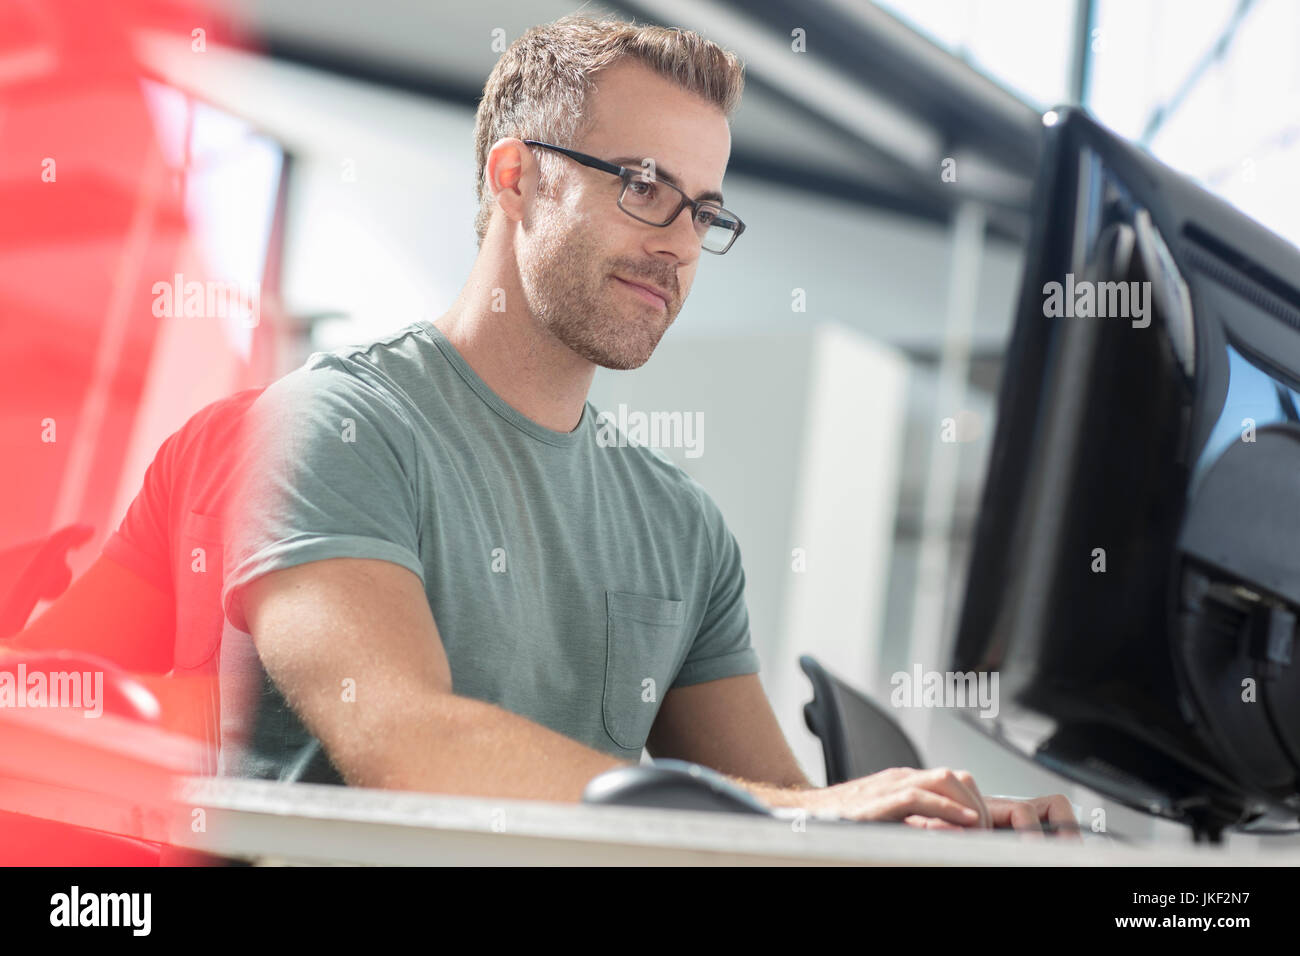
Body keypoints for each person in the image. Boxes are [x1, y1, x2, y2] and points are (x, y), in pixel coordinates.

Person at [221, 14, 1076, 833]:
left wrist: (925, 819)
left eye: (703, 211)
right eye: (641, 185)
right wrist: (804, 811)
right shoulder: (337, 427)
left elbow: (778, 809)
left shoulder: (682, 528)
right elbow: (410, 747)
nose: (679, 243)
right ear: (515, 175)